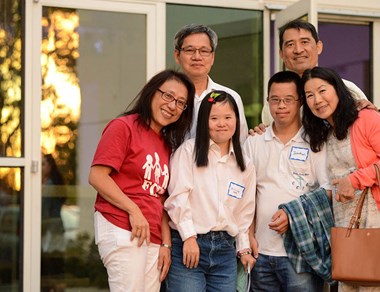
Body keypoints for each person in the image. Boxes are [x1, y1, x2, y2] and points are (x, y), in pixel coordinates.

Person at [300, 66, 380, 291]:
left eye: (323, 91)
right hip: (347, 223)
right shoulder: (327, 132)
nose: (317, 100)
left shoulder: (368, 118)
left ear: (338, 90)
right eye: (309, 95)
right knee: (351, 283)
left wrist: (354, 180)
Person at [88, 69, 195, 292]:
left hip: (152, 236)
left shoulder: (166, 144)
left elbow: (161, 198)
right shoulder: (124, 127)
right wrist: (133, 210)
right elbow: (97, 176)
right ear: (151, 93)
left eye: (180, 102)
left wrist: (165, 243)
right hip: (121, 226)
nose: (172, 105)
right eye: (168, 96)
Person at [244, 71, 331, 291]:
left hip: (302, 251)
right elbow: (247, 195)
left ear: (300, 102)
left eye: (288, 100)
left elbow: (328, 190)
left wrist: (293, 215)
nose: (281, 106)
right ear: (268, 102)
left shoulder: (316, 142)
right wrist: (248, 236)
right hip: (260, 252)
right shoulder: (254, 142)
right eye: (275, 100)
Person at [164, 90, 256, 292]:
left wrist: (243, 249)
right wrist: (188, 237)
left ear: (237, 120)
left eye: (227, 117)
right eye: (214, 118)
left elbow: (244, 212)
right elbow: (178, 198)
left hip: (225, 251)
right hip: (190, 245)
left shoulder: (245, 164)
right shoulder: (188, 151)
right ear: (204, 121)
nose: (221, 123)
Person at [259, 19, 369, 127]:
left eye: (304, 42)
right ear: (281, 54)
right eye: (290, 44)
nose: (298, 50)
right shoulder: (274, 104)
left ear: (318, 47)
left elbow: (368, 128)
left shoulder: (346, 89)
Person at [173, 24, 248, 144]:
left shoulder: (230, 97)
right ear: (177, 55)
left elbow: (240, 143)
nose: (197, 57)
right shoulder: (166, 97)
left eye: (204, 51)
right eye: (190, 50)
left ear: (212, 57)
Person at [41, 153, 67, 291]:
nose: (40, 167)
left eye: (43, 164)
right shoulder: (42, 184)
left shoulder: (50, 186)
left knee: (52, 263)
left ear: (50, 167)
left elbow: (45, 211)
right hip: (51, 230)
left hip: (51, 230)